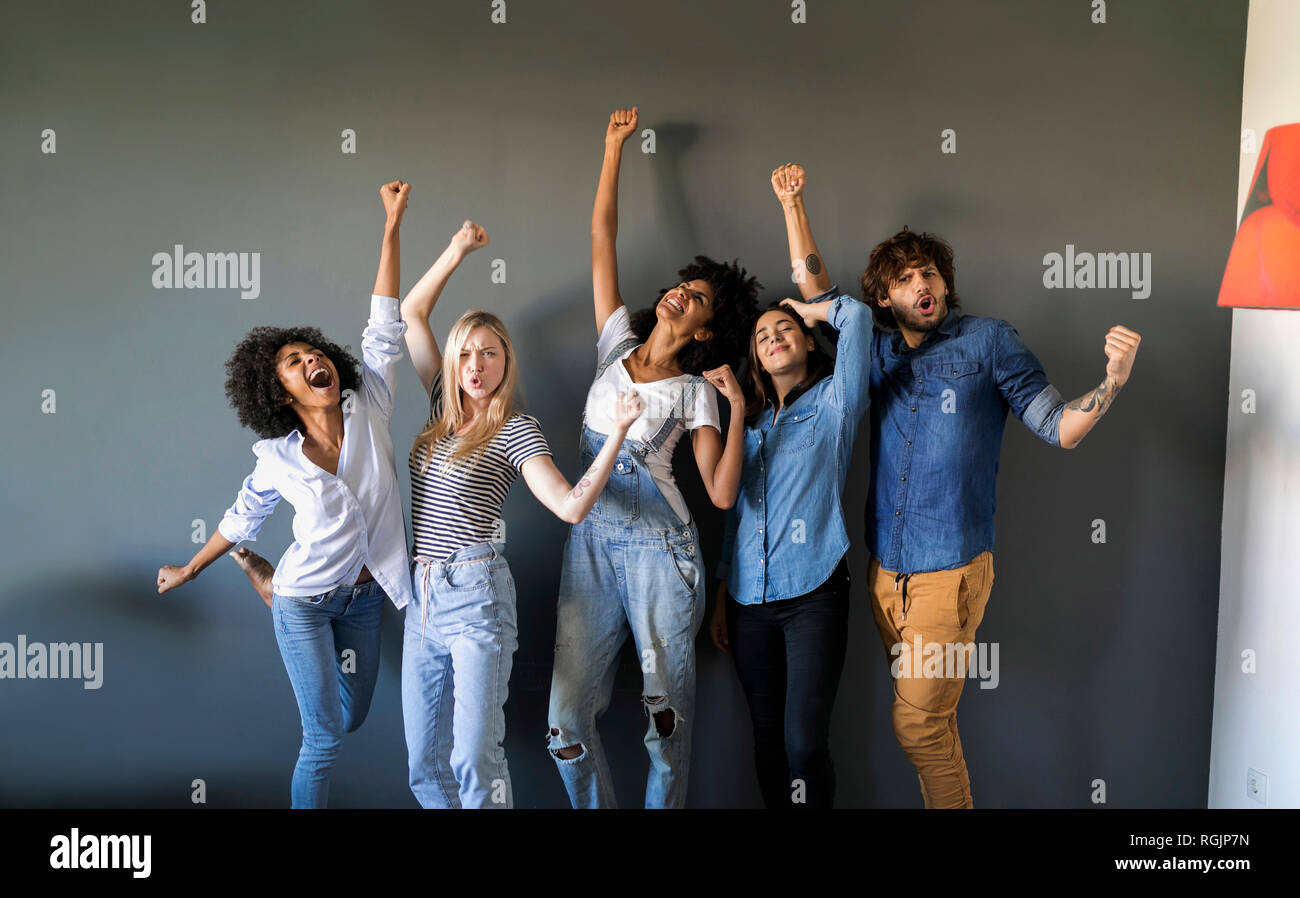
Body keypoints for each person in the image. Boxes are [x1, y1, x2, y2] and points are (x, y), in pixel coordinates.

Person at [783, 163, 1143, 808]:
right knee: (936, 727)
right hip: (884, 575)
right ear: (884, 298)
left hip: (950, 575)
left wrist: (1112, 380)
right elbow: (821, 298)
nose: (920, 283)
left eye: (928, 272)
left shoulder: (989, 340)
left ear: (944, 282)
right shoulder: (876, 349)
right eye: (903, 278)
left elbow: (1060, 428)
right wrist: (793, 204)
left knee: (917, 725)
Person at [156, 180, 416, 809]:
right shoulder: (275, 458)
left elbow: (385, 323)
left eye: (312, 353)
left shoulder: (370, 405)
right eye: (293, 363)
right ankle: (275, 587)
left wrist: (391, 224)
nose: (310, 361)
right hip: (305, 601)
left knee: (352, 718)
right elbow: (243, 514)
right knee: (322, 739)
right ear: (281, 394)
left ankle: (266, 583)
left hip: (365, 597)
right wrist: (190, 568)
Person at [545, 107, 759, 809]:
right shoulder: (614, 344)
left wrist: (737, 409)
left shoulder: (696, 393)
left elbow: (720, 494)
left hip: (661, 555)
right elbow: (601, 238)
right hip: (588, 544)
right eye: (682, 284)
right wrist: (614, 148)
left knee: (665, 726)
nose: (681, 293)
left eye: (697, 299)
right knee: (564, 723)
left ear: (705, 330)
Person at [399, 220, 646, 809]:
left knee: (472, 758)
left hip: (476, 596)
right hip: (422, 596)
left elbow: (570, 505)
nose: (476, 365)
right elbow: (411, 313)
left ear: (506, 361)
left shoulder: (516, 429)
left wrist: (618, 432)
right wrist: (457, 249)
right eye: (466, 353)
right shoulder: (440, 406)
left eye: (489, 353)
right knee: (423, 764)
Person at [707, 164, 872, 809]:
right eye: (762, 335)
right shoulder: (746, 424)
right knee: (767, 740)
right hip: (747, 599)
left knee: (805, 744)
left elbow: (858, 318)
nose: (773, 337)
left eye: (785, 330)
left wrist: (806, 305)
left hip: (815, 594)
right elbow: (734, 515)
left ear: (806, 340)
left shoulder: (835, 403)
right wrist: (723, 594)